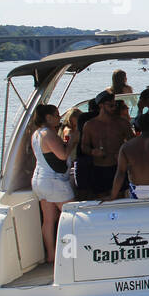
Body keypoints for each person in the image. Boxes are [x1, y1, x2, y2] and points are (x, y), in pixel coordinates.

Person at [30, 104, 73, 263]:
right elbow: (62, 155)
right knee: (70, 216)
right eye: (56, 115)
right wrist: (72, 142)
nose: (59, 117)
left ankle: (51, 254)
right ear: (48, 117)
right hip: (53, 181)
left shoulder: (36, 134)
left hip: (39, 180)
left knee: (48, 220)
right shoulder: (48, 133)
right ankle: (69, 254)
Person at [79, 91, 133, 198]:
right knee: (101, 199)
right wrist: (92, 151)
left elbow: (133, 143)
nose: (114, 108)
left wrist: (123, 153)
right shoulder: (90, 125)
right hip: (99, 169)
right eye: (111, 105)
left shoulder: (122, 123)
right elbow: (84, 147)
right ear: (101, 106)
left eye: (115, 105)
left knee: (120, 198)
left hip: (118, 168)